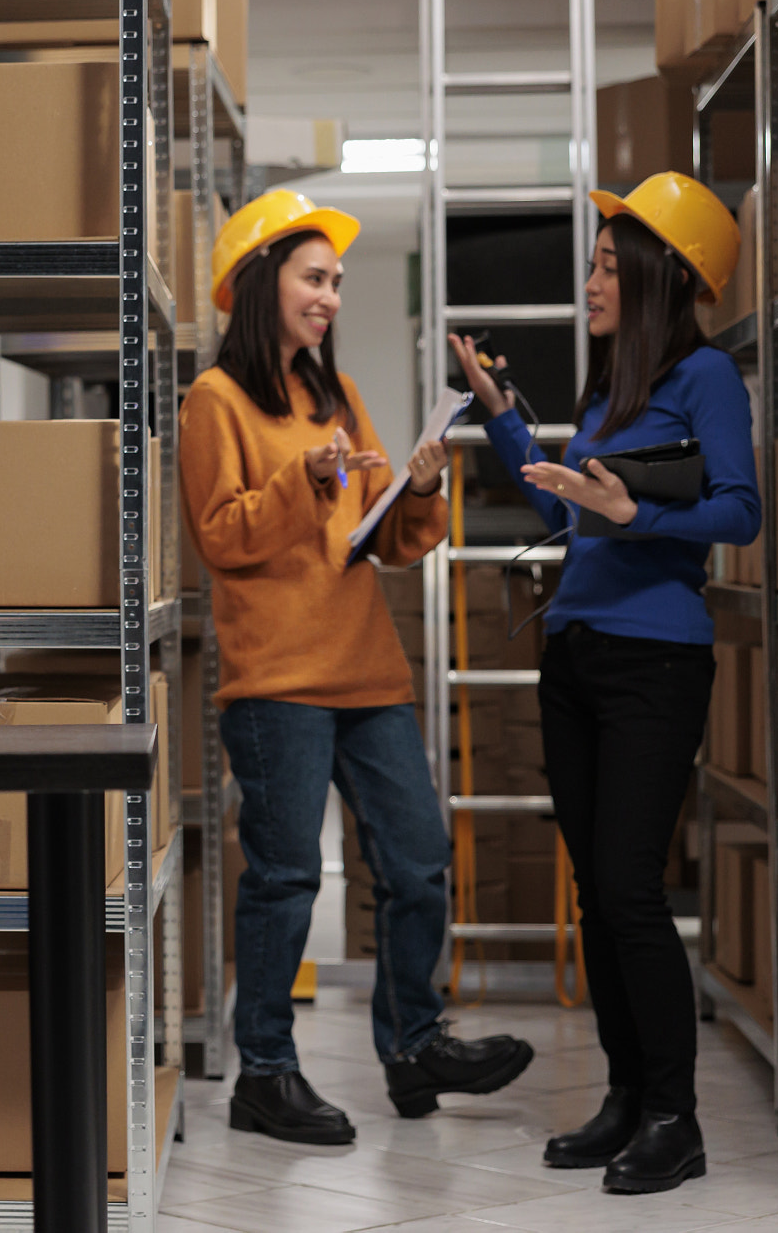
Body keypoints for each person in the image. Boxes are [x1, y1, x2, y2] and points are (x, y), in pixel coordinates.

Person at [180, 189, 535, 1143]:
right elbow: (219, 537)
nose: (331, 296)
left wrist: (418, 490)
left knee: (417, 863)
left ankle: (414, 1046)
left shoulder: (333, 399)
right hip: (277, 683)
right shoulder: (215, 403)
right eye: (314, 278)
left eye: (336, 282)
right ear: (263, 285)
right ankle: (265, 1072)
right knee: (288, 878)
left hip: (366, 672)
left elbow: (386, 537)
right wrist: (305, 482)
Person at [450, 171, 761, 1195]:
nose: (586, 280)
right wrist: (502, 419)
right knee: (597, 890)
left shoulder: (704, 376)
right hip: (575, 656)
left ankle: (676, 1118)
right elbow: (568, 521)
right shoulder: (607, 389)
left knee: (628, 888)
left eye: (600, 263)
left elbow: (736, 511)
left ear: (653, 273)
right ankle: (628, 1099)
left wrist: (639, 519)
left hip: (652, 660)